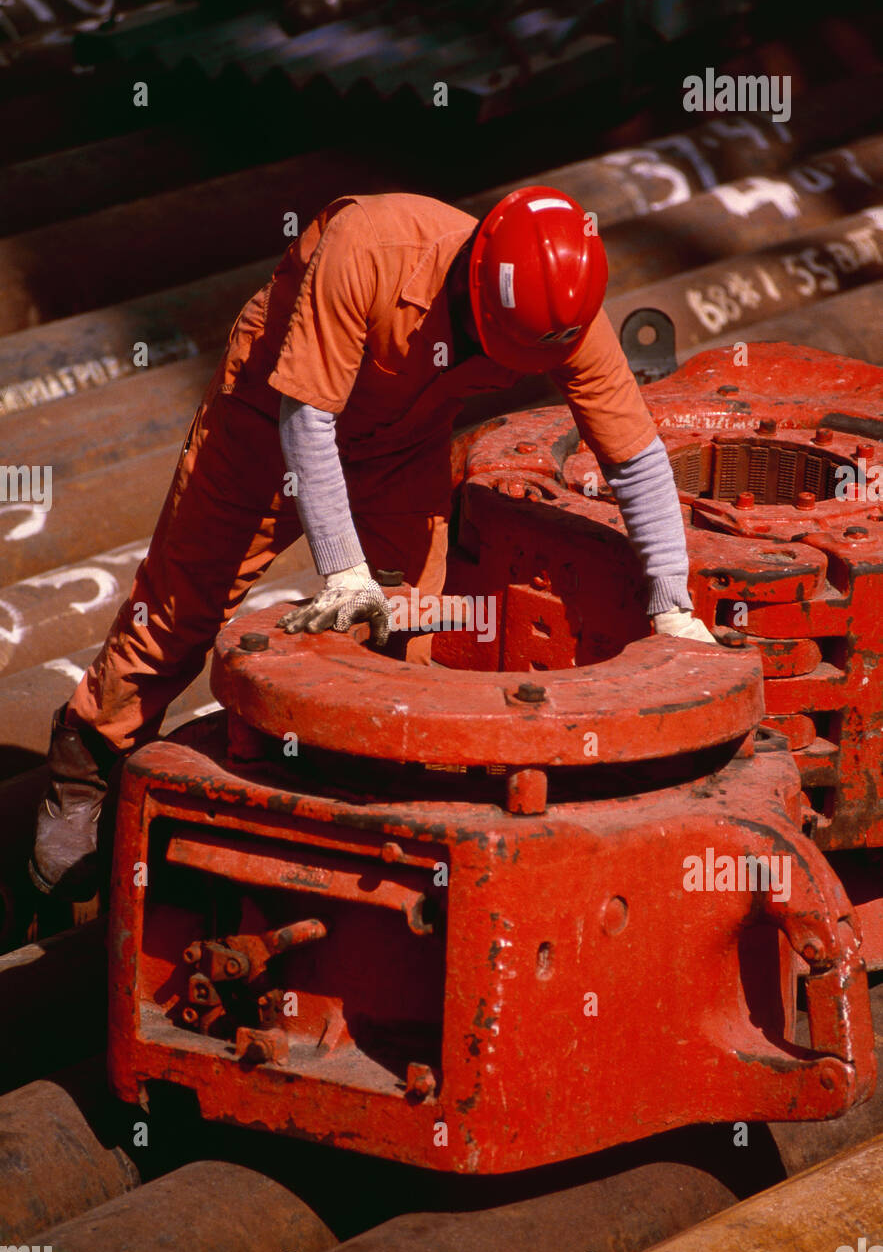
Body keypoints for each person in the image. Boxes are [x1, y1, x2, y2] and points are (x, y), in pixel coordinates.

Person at [29, 186, 715, 902]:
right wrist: (343, 572)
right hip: (268, 418)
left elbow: (634, 458)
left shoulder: (559, 309)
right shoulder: (371, 248)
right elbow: (305, 417)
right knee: (178, 612)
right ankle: (88, 765)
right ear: (474, 281)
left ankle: (357, 812)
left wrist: (672, 604)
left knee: (406, 623)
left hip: (399, 445)